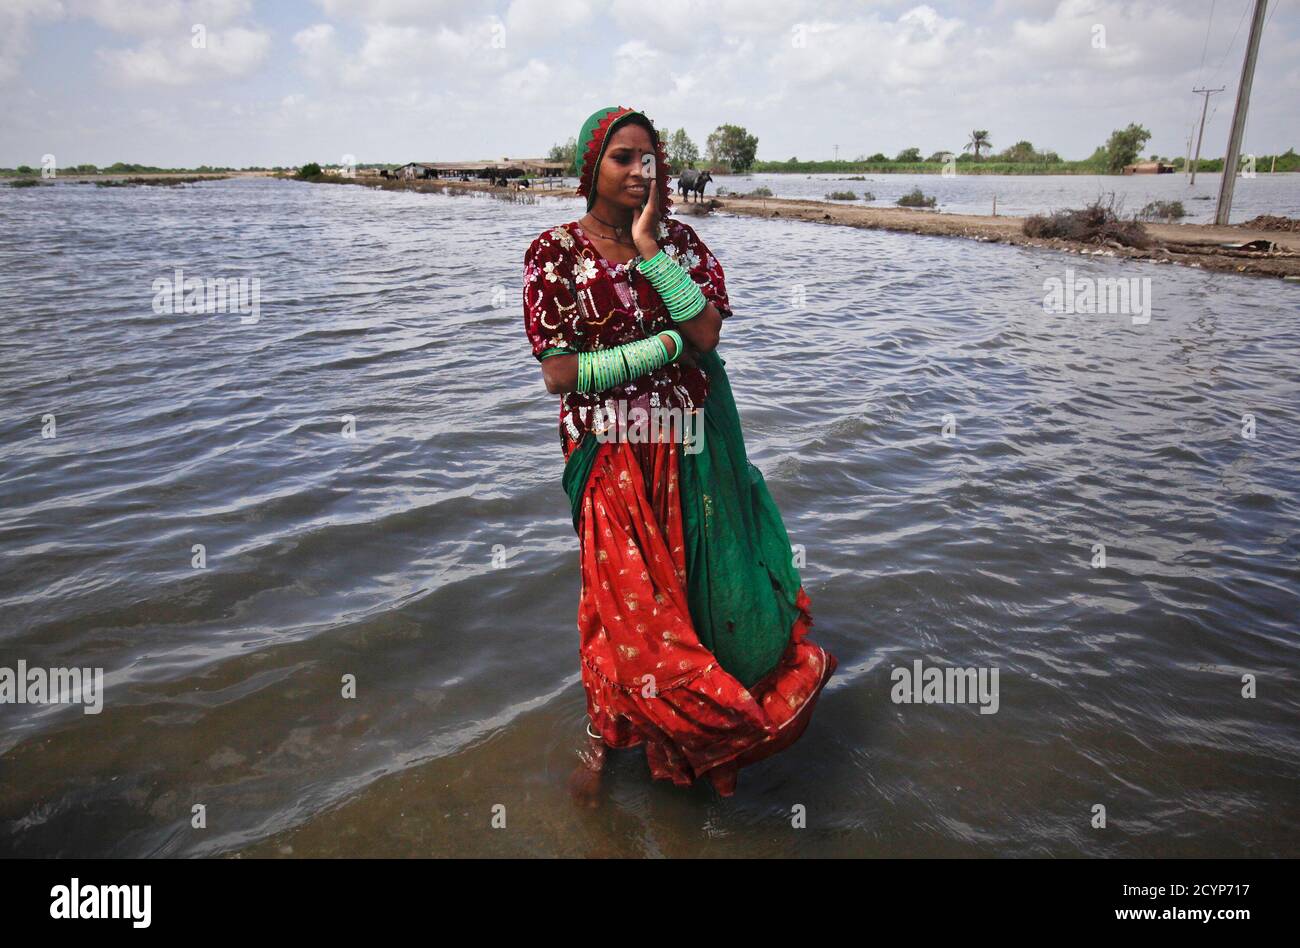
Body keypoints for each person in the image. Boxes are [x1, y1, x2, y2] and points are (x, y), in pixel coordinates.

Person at [521, 105, 836, 802]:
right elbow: (561, 375)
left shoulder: (682, 244)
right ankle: (610, 743)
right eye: (622, 158)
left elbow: (707, 331)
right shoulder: (554, 254)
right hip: (610, 456)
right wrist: (662, 349)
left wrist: (650, 249)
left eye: (648, 158)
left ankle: (695, 743)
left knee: (696, 602)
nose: (641, 171)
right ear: (589, 168)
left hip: (691, 449)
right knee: (622, 607)